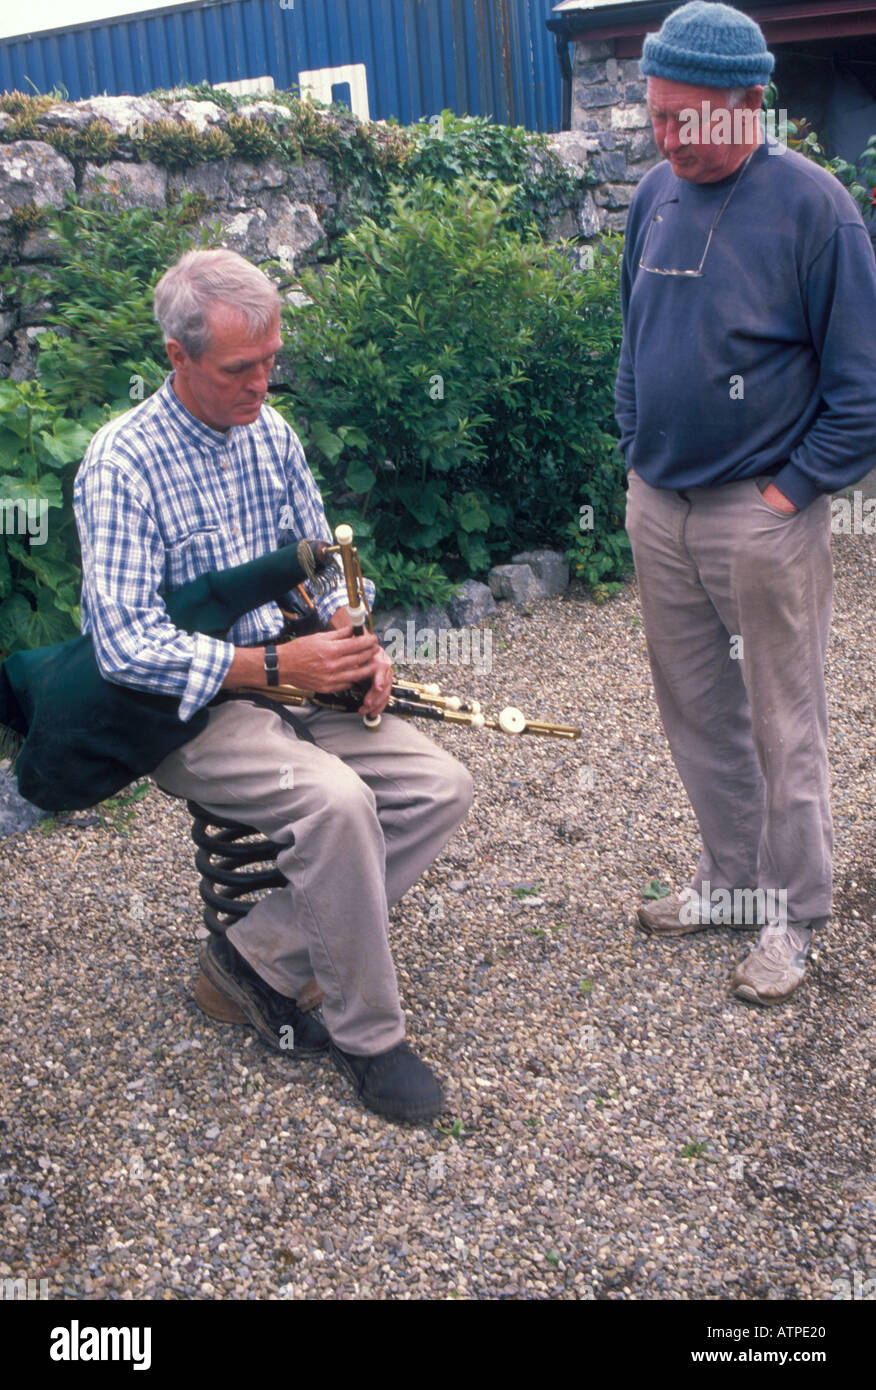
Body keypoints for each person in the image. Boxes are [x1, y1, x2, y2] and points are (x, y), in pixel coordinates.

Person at [74, 248, 473, 1121]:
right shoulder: (119, 465)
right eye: (238, 369)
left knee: (442, 785)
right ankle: (373, 1041)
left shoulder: (272, 433)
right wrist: (263, 669)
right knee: (335, 805)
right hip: (186, 709)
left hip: (294, 678)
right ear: (177, 357)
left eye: (271, 362)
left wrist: (353, 639)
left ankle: (250, 961)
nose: (261, 385)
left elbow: (322, 570)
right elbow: (123, 646)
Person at [615, 2, 876, 1003]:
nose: (669, 139)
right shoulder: (656, 196)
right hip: (660, 503)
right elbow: (634, 341)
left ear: (750, 104)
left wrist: (789, 492)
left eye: (689, 120)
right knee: (697, 712)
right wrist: (636, 451)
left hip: (759, 516)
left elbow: (861, 387)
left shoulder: (816, 209)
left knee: (784, 722)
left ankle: (794, 914)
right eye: (658, 117)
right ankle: (728, 884)